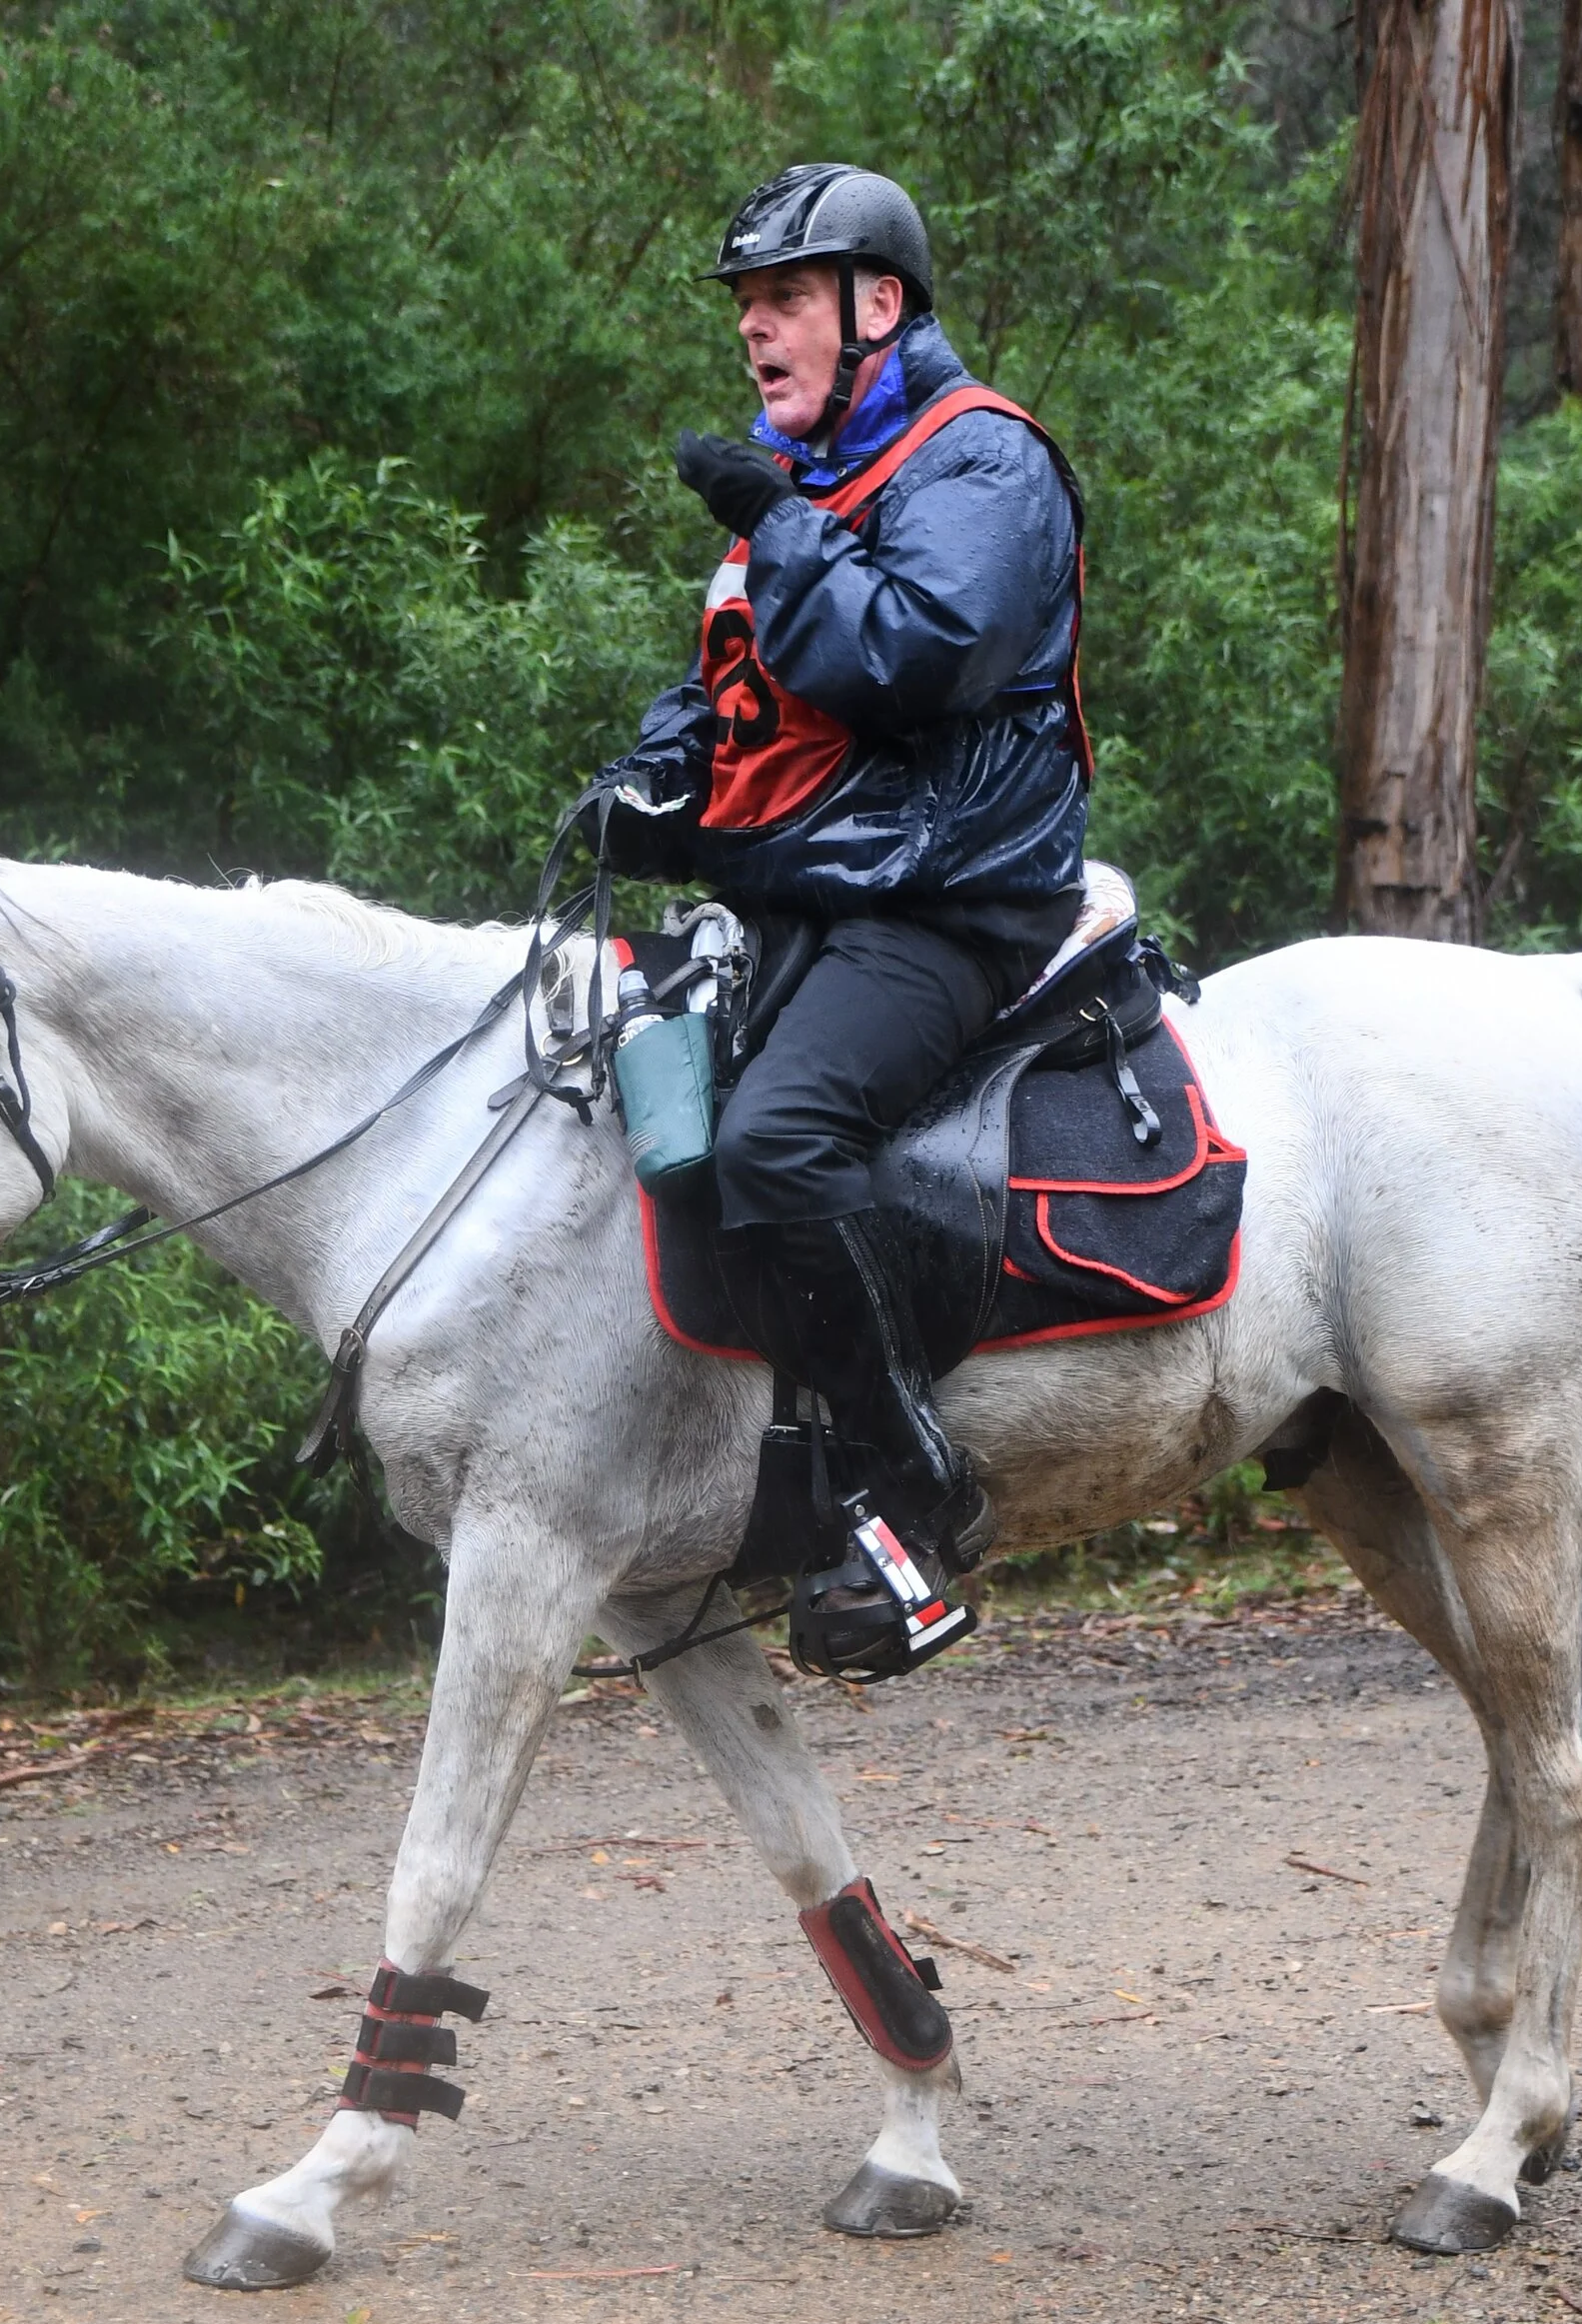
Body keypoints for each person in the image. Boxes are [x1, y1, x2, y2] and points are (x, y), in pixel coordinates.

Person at [579, 162, 1090, 1670]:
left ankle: (910, 1497)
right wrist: (651, 778)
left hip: (952, 902)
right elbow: (732, 687)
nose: (755, 331)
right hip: (815, 892)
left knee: (775, 1141)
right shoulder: (796, 483)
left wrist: (774, 524)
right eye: (746, 306)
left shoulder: (980, 464)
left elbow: (915, 656)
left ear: (881, 307)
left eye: (786, 298)